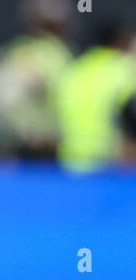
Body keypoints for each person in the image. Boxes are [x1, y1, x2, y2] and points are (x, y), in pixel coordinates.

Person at [0, 0, 72, 160]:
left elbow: (3, 100)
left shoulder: (17, 51)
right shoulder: (57, 54)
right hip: (45, 146)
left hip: (18, 144)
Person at [54, 18, 136, 172]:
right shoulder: (127, 70)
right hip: (114, 165)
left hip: (72, 164)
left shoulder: (73, 70)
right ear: (122, 40)